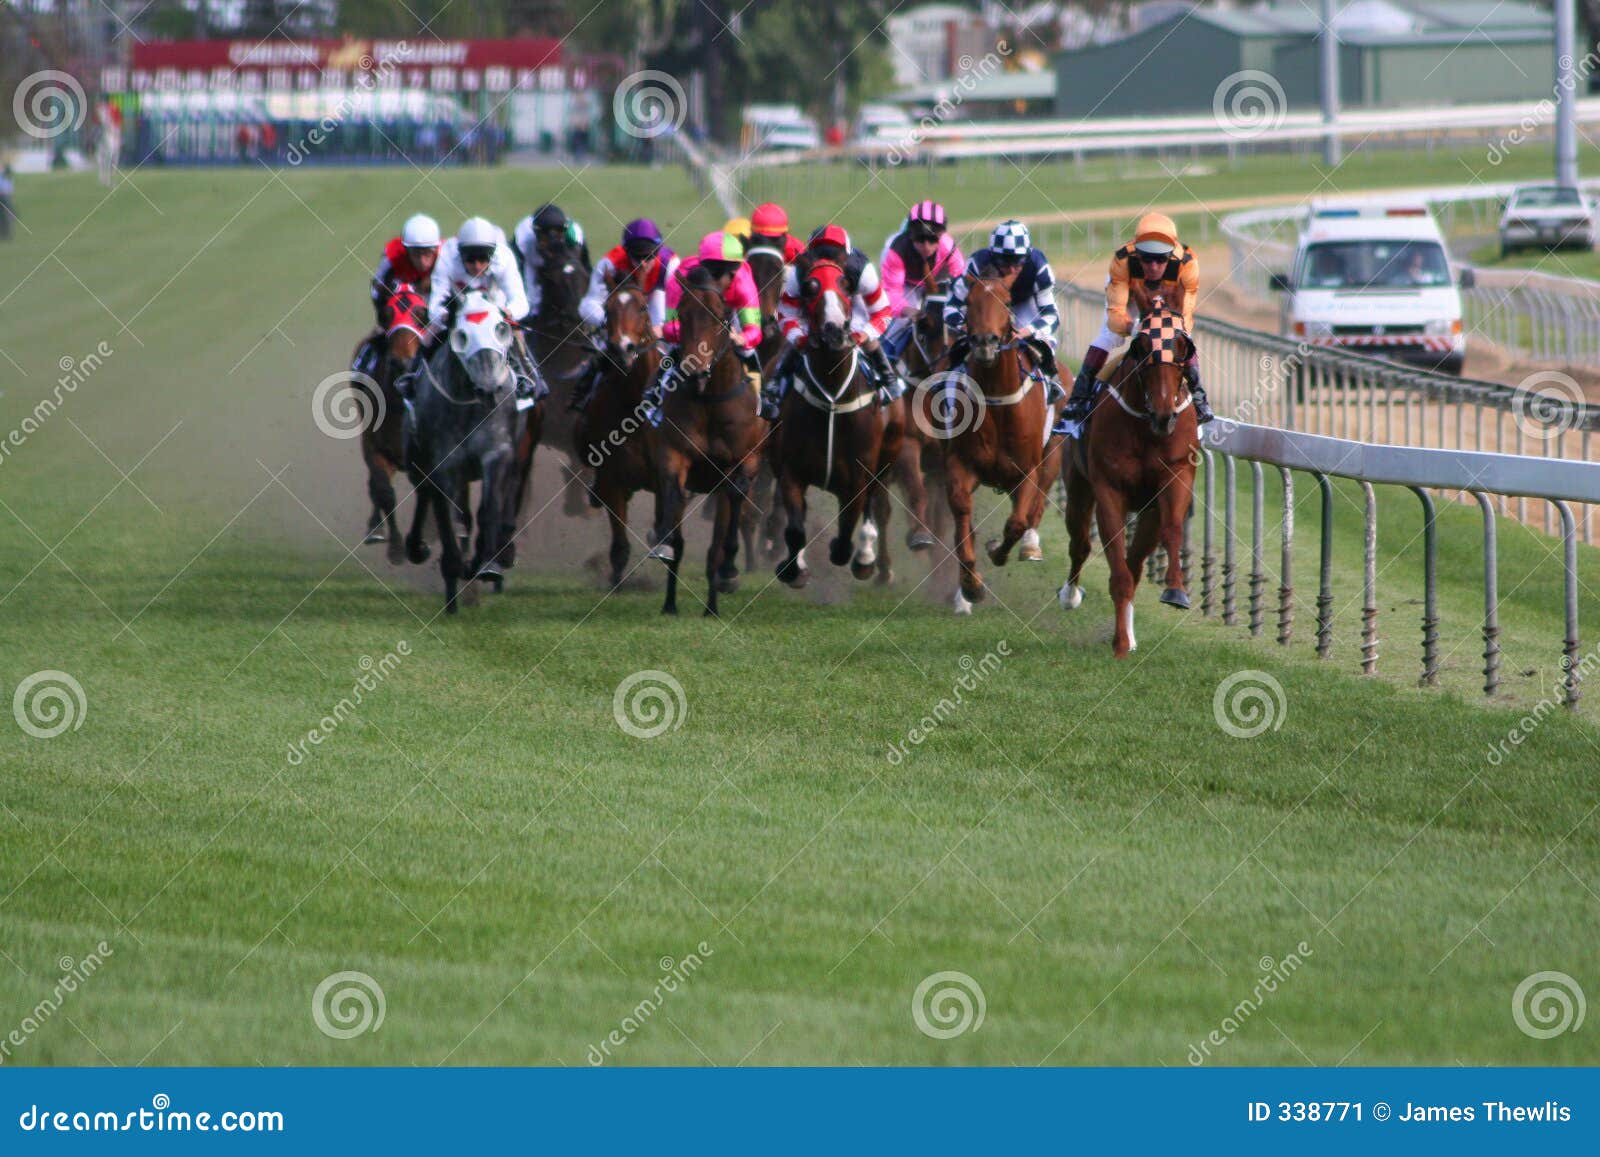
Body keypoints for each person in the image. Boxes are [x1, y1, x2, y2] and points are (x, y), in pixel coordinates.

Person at [1055, 211, 1210, 437]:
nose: (1153, 266)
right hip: (1130, 298)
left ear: (1172, 253)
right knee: (1108, 338)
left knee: (1181, 340)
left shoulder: (1187, 263)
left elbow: (1185, 316)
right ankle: (1078, 402)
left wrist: (1169, 330)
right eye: (1146, 258)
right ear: (1137, 252)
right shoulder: (1123, 259)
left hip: (1170, 305)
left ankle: (1199, 397)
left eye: (1161, 259)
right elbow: (1116, 316)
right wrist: (1136, 327)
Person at [762, 224, 897, 421]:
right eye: (821, 253)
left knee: (861, 329)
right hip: (813, 309)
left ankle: (888, 378)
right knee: (799, 339)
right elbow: (786, 314)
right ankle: (775, 383)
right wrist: (799, 338)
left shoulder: (862, 271)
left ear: (846, 257)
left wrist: (863, 335)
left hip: (853, 305)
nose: (827, 260)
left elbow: (882, 311)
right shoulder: (798, 273)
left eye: (833, 254)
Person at [641, 231, 764, 427]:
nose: (732, 279)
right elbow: (673, 329)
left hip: (730, 318)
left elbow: (755, 332)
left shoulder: (742, 281)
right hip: (696, 323)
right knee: (676, 351)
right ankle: (657, 395)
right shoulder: (680, 280)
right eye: (727, 275)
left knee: (748, 350)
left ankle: (761, 402)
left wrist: (741, 338)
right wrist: (670, 332)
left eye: (734, 273)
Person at [568, 218, 680, 411]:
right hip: (622, 314)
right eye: (637, 258)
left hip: (655, 303)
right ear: (626, 252)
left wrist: (664, 329)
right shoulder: (610, 263)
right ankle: (582, 392)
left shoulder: (670, 264)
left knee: (677, 348)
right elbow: (587, 305)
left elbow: (681, 311)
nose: (644, 264)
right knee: (603, 349)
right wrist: (612, 320)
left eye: (650, 256)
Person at [945, 219, 1062, 399]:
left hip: (1025, 307)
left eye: (1018, 262)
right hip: (988, 308)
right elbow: (951, 306)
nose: (1011, 269)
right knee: (960, 345)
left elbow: (1051, 315)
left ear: (1027, 257)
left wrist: (1027, 331)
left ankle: (1051, 381)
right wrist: (964, 325)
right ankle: (951, 382)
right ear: (992, 257)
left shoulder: (1039, 266)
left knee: (1044, 341)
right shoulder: (976, 264)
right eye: (1005, 262)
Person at [429, 217, 541, 399]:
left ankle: (528, 377)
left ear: (492, 254)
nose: (477, 266)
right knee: (428, 336)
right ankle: (415, 377)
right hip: (459, 315)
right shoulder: (447, 258)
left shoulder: (504, 258)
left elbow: (521, 301)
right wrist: (443, 315)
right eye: (471, 261)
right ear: (460, 254)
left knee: (517, 336)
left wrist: (509, 311)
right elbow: (435, 303)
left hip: (495, 313)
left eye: (483, 260)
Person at [354, 212, 441, 377]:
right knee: (382, 331)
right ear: (406, 251)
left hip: (433, 305)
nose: (422, 261)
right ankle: (364, 363)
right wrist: (385, 317)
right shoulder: (392, 257)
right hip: (402, 304)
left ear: (436, 249)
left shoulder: (447, 256)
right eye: (416, 254)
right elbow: (377, 288)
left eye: (427, 254)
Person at [879, 200, 964, 366]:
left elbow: (960, 280)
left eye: (932, 240)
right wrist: (908, 311)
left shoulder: (948, 246)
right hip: (907, 285)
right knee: (900, 323)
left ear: (940, 236)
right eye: (920, 239)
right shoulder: (896, 250)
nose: (926, 246)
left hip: (937, 281)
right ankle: (886, 365)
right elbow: (892, 292)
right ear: (911, 235)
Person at [512, 203, 590, 319]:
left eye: (558, 233)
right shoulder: (523, 242)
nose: (551, 241)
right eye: (544, 236)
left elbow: (585, 270)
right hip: (531, 263)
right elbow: (525, 279)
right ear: (536, 234)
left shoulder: (574, 238)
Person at [0, 164, 14, 241]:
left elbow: (10, 192)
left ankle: (7, 235)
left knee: (7, 218)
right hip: (2, 199)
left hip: (6, 199)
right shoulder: (1, 178)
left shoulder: (9, 179)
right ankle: (4, 234)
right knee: (3, 218)